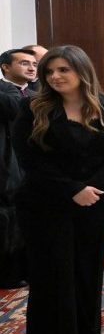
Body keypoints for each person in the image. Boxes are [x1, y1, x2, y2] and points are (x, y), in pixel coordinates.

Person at [11, 46, 104, 334]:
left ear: (82, 71)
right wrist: (72, 189)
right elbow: (30, 159)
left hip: (99, 201)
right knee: (52, 278)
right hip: (46, 204)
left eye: (63, 69)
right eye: (49, 71)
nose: (54, 77)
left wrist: (93, 188)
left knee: (86, 271)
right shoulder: (33, 107)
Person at [0, 47, 38, 289]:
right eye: (24, 63)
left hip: (37, 167)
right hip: (8, 166)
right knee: (9, 221)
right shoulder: (5, 93)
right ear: (6, 67)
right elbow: (17, 109)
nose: (32, 67)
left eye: (34, 63)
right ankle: (10, 273)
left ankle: (32, 268)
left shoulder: (38, 92)